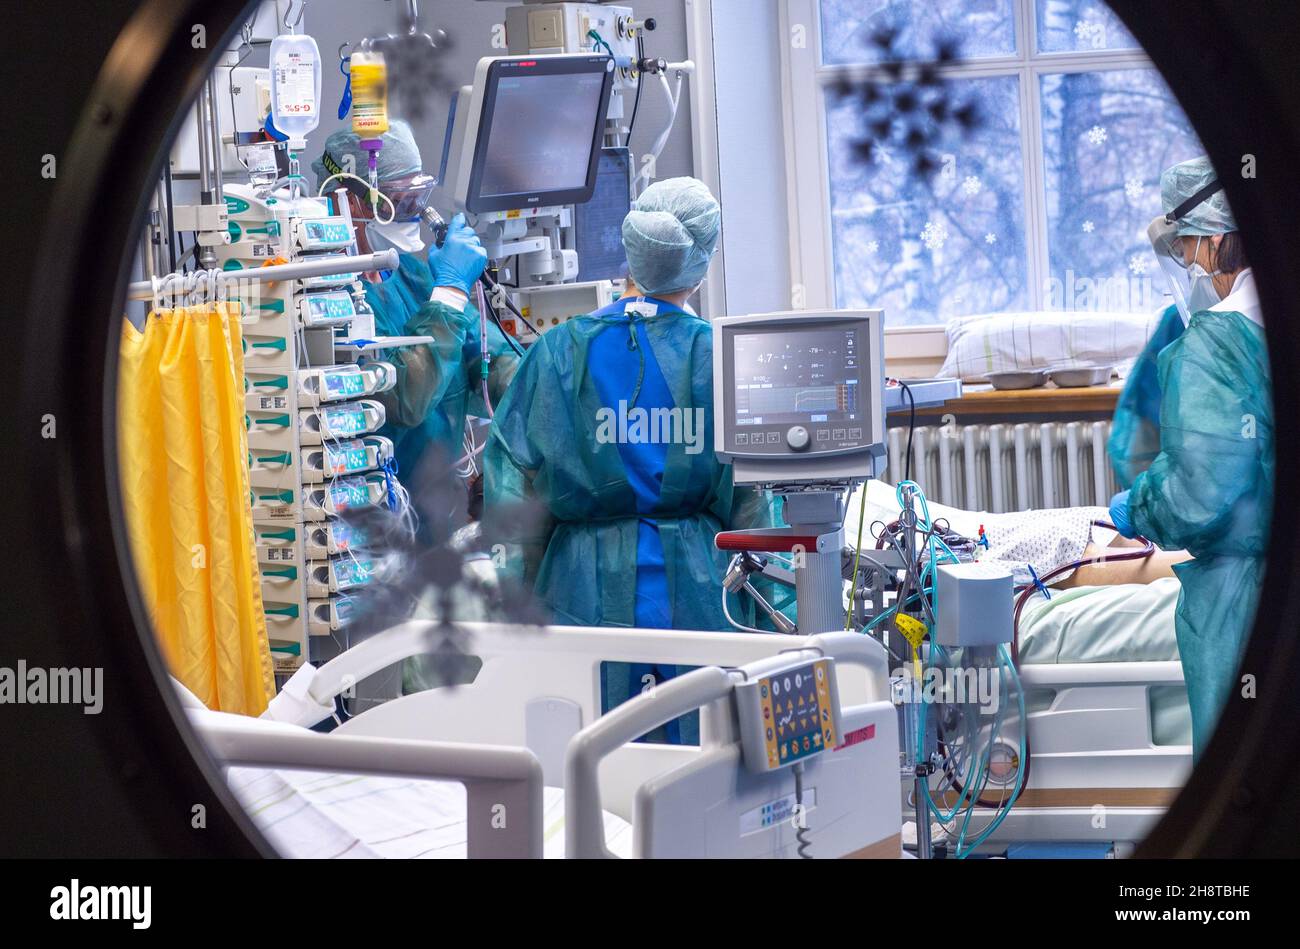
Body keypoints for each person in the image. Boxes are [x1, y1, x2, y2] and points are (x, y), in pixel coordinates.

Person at [483, 177, 781, 742]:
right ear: (701, 265)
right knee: (696, 764)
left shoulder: (557, 351)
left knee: (588, 761)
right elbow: (756, 504)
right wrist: (775, 620)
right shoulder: (718, 357)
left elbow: (508, 488)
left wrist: (513, 611)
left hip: (578, 593)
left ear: (634, 253)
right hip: (699, 591)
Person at [1107, 156, 1272, 758]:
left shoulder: (1221, 341)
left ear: (1220, 237)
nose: (1193, 266)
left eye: (1191, 249)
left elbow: (1202, 487)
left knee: (1249, 779)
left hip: (1246, 592)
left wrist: (1143, 508)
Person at [312, 121, 520, 494]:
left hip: (442, 508)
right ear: (346, 199)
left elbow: (487, 356)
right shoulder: (328, 304)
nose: (416, 213)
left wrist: (546, 379)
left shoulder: (411, 274)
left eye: (418, 198)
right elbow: (405, 398)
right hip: (380, 516)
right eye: (400, 200)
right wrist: (451, 292)